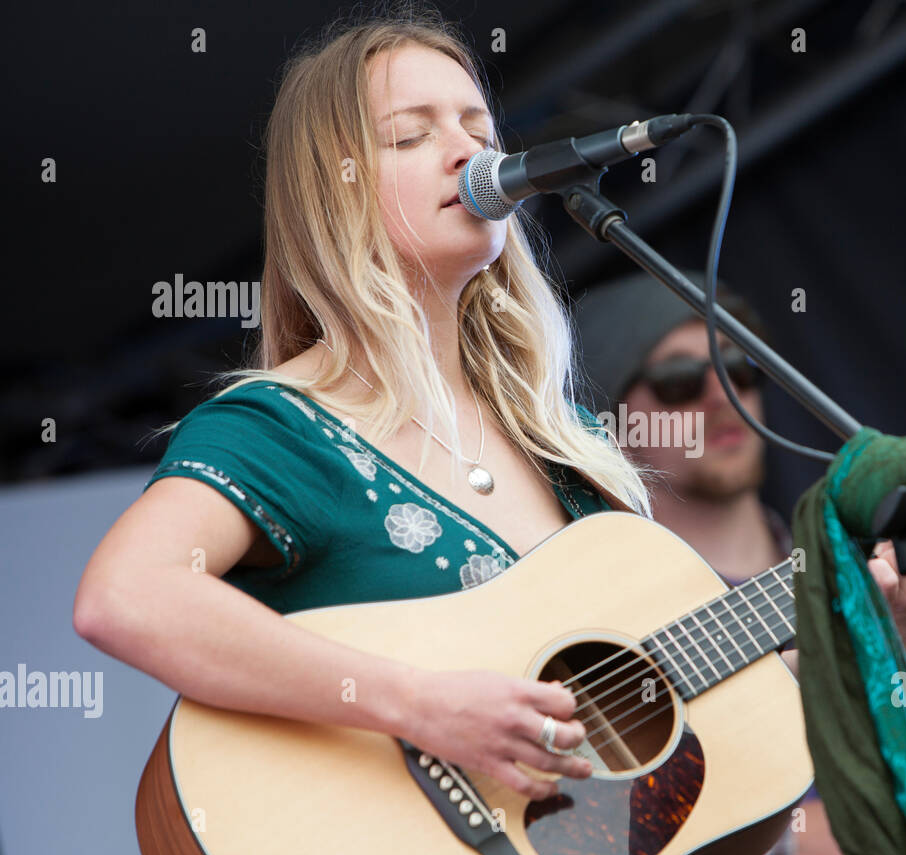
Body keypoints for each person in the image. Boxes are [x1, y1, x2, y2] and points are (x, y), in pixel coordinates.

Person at [73, 15, 655, 805]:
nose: (468, 152)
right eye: (410, 137)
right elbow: (125, 597)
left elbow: (668, 693)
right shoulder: (283, 429)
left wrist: (860, 633)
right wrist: (418, 705)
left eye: (477, 126)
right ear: (331, 190)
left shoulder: (568, 441)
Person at [571, 272, 906, 855]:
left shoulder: (878, 580)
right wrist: (789, 845)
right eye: (679, 380)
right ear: (609, 418)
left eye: (739, 369)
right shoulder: (586, 613)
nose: (723, 395)